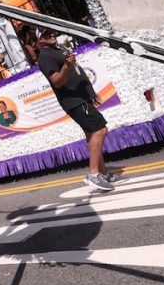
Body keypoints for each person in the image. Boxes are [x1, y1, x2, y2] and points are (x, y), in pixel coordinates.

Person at [36, 29, 124, 191]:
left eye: (52, 32)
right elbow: (57, 81)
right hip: (73, 101)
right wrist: (66, 66)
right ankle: (93, 174)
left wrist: (90, 92)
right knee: (100, 130)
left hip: (81, 98)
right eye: (46, 35)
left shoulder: (58, 50)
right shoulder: (45, 57)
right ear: (39, 40)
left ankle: (103, 172)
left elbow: (78, 72)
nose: (52, 35)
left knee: (92, 134)